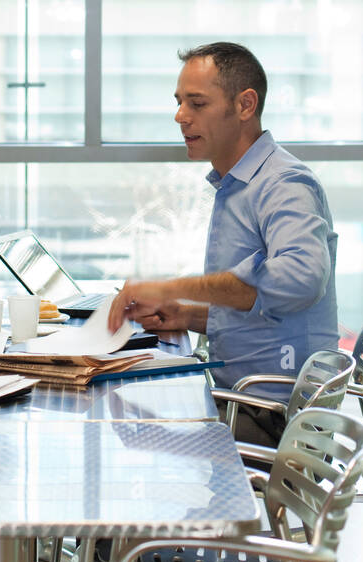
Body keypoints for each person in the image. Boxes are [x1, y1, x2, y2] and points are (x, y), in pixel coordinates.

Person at [109, 41, 339, 447]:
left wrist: (167, 287)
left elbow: (299, 282)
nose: (180, 116)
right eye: (179, 102)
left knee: (127, 433)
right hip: (244, 397)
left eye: (197, 104)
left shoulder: (283, 184)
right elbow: (262, 311)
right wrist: (186, 316)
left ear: (245, 105)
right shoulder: (236, 185)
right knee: (123, 407)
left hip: (273, 417)